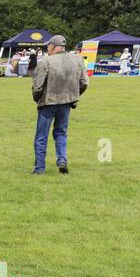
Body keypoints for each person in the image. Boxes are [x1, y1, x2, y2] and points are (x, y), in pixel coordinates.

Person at [32, 34, 87, 174]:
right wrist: (74, 95)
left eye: (48, 46)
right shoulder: (77, 60)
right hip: (66, 103)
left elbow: (37, 86)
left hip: (48, 102)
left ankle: (39, 168)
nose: (47, 49)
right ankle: (62, 160)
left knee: (41, 136)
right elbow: (84, 83)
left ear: (53, 46)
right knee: (61, 133)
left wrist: (37, 98)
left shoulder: (46, 61)